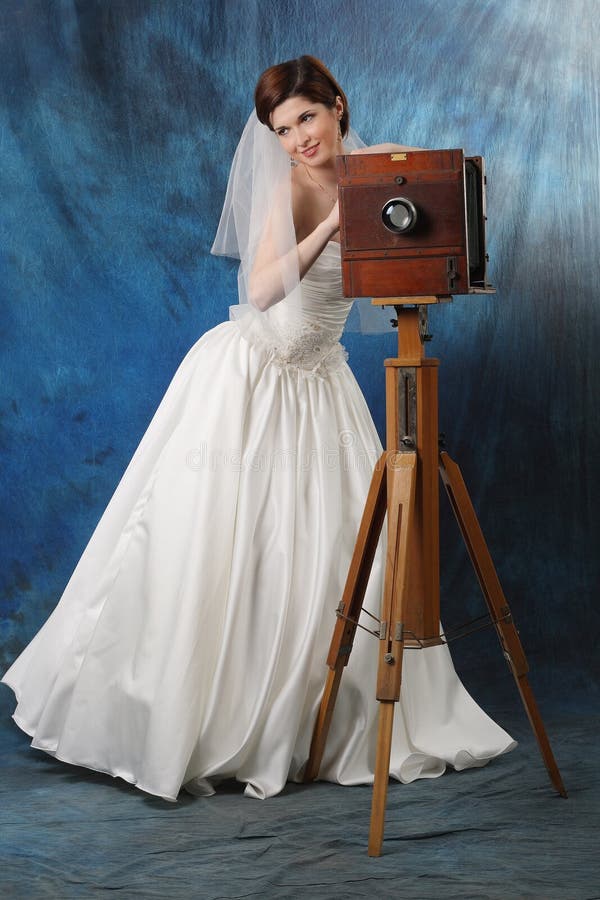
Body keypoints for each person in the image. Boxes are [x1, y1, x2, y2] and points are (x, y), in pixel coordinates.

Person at [2, 56, 515, 801]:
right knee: (229, 545)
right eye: (282, 130)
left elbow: (420, 234)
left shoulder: (380, 170)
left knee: (335, 552)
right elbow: (264, 286)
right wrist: (337, 222)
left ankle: (318, 720)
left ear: (338, 106)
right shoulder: (287, 186)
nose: (298, 140)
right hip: (256, 377)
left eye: (307, 118)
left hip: (322, 380)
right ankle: (201, 718)